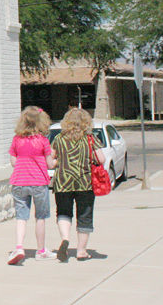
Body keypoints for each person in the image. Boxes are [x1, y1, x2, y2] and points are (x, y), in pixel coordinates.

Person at [51, 107, 105, 262]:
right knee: (84, 215)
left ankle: (65, 239)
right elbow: (101, 159)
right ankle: (81, 251)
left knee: (63, 212)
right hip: (85, 182)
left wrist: (59, 162)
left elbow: (50, 161)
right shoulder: (90, 138)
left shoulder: (59, 139)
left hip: (63, 182)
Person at [6, 106, 56, 265]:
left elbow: (13, 162)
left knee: (21, 217)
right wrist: (57, 161)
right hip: (39, 182)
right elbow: (50, 164)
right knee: (40, 217)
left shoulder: (17, 139)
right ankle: (41, 250)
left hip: (19, 182)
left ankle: (19, 247)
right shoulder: (43, 141)